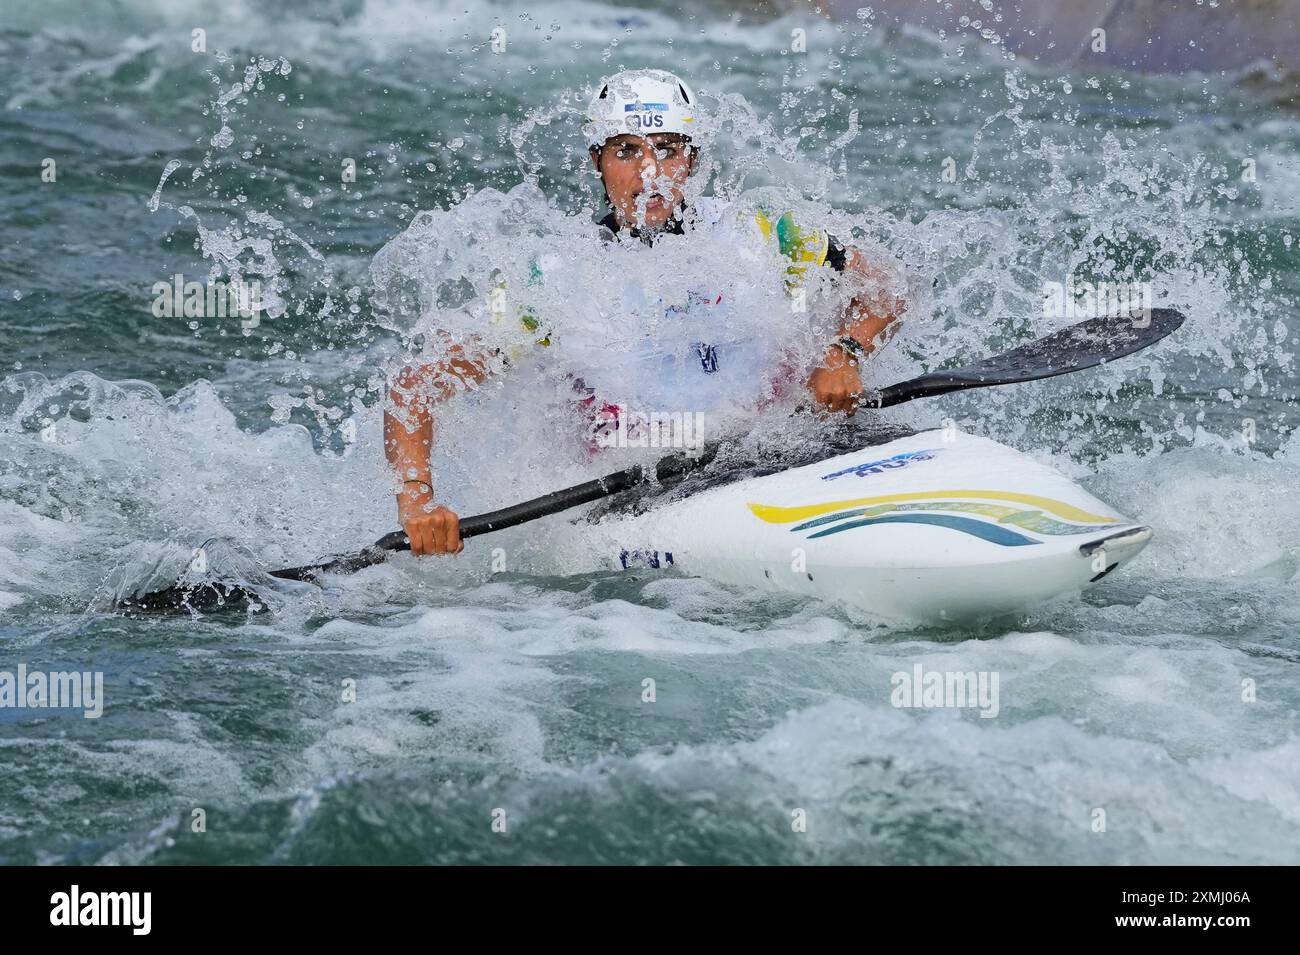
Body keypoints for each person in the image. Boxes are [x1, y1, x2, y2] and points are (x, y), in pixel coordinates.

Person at [385, 69, 904, 556]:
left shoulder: (764, 232)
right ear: (597, 161)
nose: (650, 173)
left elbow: (886, 286)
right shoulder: (552, 279)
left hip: (791, 450)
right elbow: (418, 384)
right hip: (643, 496)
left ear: (693, 161)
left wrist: (845, 352)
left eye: (668, 150)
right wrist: (416, 497)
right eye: (627, 151)